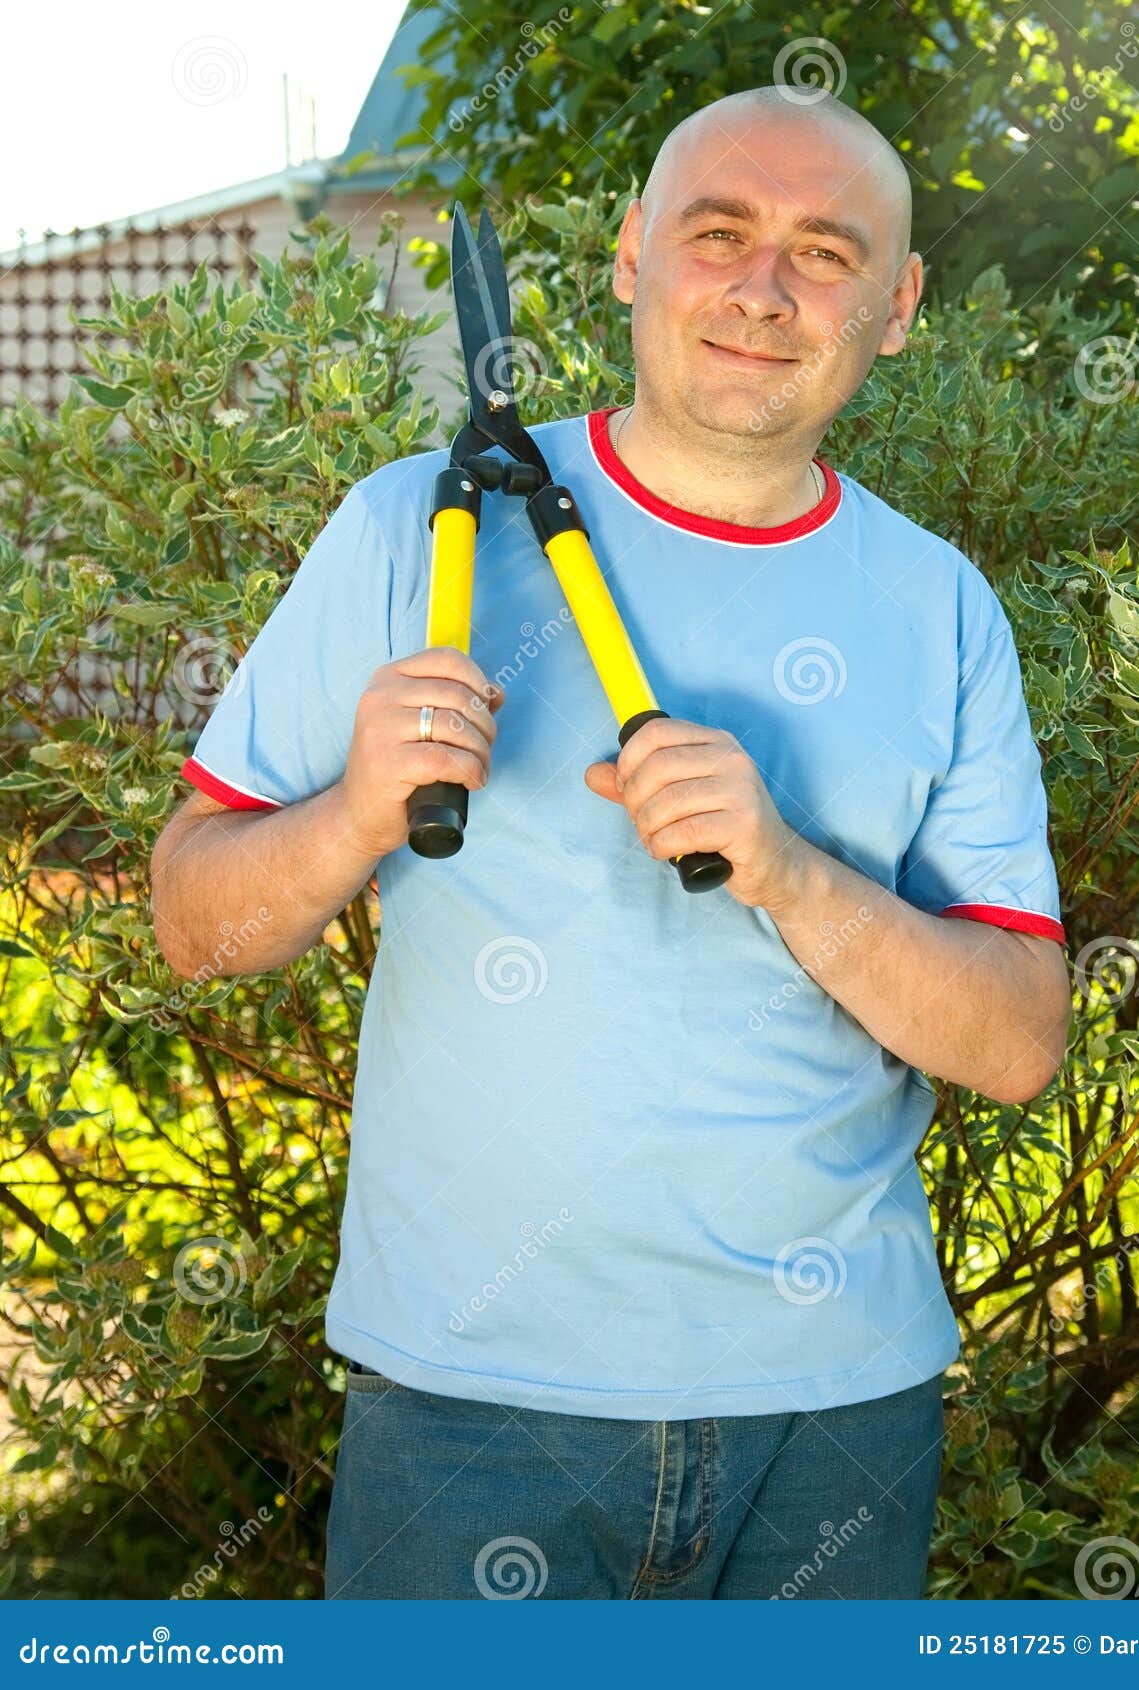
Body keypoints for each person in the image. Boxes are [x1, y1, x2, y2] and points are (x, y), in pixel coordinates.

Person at [150, 84, 1071, 1600]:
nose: (763, 289)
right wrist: (350, 816)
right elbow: (198, 929)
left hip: (831, 1414)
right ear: (635, 251)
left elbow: (1017, 1039)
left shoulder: (939, 608)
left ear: (897, 306)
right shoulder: (403, 534)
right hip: (467, 1401)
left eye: (824, 252)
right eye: (718, 232)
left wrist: (785, 866)